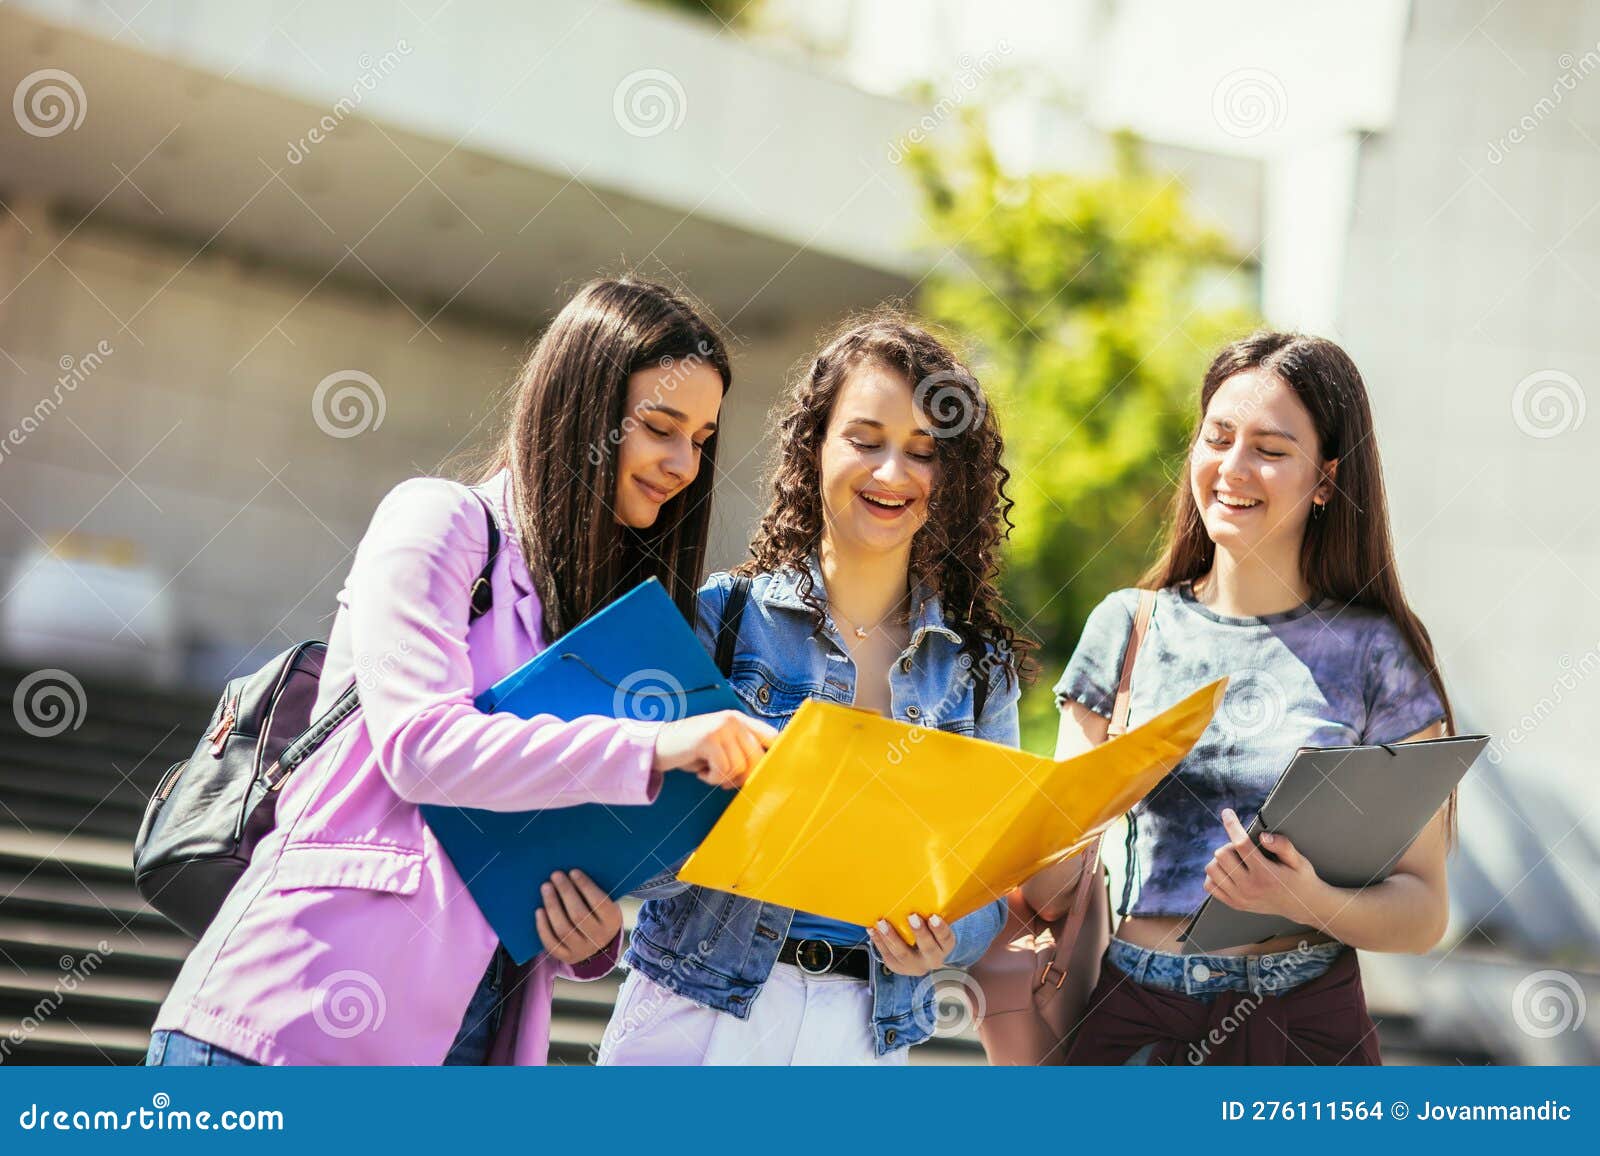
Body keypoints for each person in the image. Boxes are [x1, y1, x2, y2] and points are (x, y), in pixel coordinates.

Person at [146, 277, 776, 1066]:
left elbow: (546, 831)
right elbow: (420, 747)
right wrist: (654, 748)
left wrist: (587, 934)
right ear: (582, 408)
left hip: (474, 1037)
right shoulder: (437, 519)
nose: (685, 462)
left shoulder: (605, 617)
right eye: (660, 427)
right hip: (293, 1018)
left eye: (703, 439)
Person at [599, 310, 1031, 1065]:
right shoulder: (720, 618)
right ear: (816, 445)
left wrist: (942, 937)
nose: (892, 474)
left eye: (923, 452)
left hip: (862, 1031)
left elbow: (992, 887)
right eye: (866, 441)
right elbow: (638, 846)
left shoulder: (975, 667)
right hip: (693, 1009)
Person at [1024, 332, 1454, 1065]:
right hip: (1136, 1018)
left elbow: (1423, 913)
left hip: (1306, 1024)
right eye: (1218, 438)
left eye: (1271, 449)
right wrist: (1067, 822)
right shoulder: (1127, 627)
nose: (1233, 468)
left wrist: (1303, 900)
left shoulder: (1379, 656)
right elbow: (1049, 877)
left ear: (1325, 479)